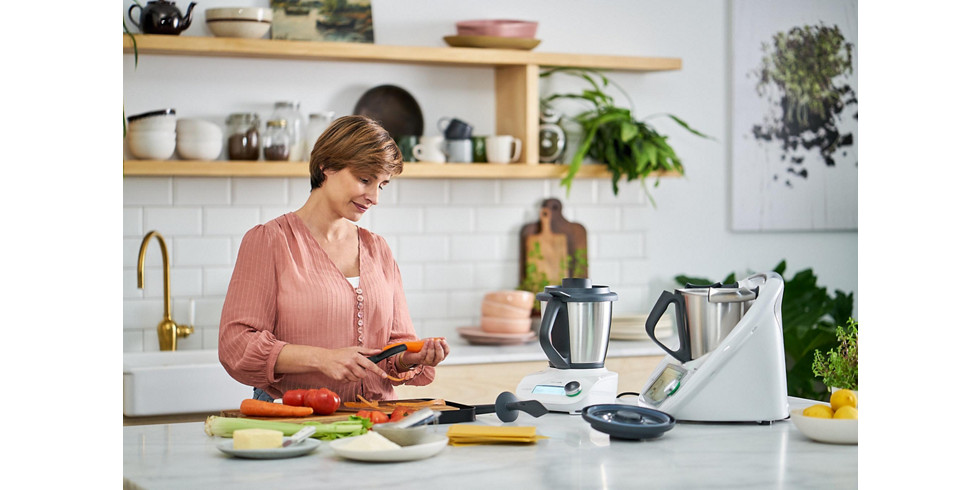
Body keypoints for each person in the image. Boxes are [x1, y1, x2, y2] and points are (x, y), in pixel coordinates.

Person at [218, 115, 449, 403]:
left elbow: (392, 349)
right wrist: (321, 359)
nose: (374, 197)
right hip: (296, 419)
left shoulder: (378, 249)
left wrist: (410, 358)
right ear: (326, 165)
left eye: (382, 185)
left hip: (375, 420)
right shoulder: (270, 241)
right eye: (364, 179)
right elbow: (236, 345)